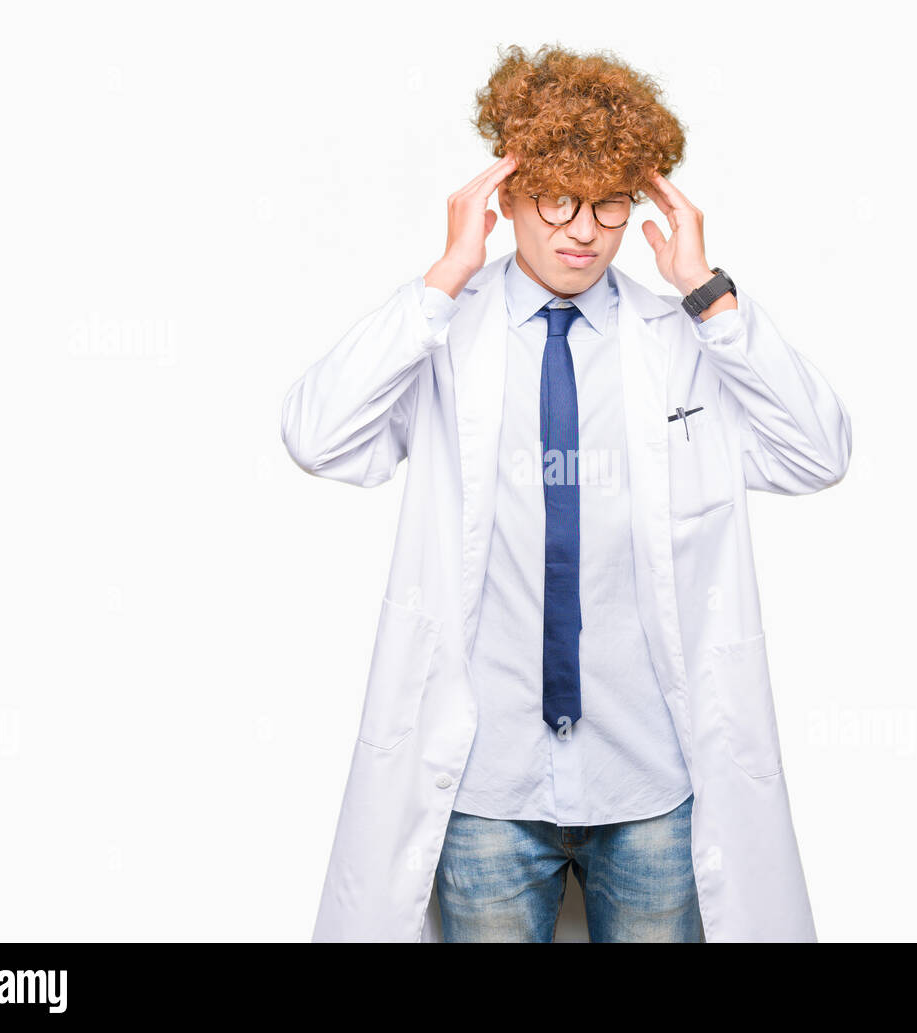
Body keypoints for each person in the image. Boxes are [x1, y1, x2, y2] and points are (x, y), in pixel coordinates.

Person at [281, 43, 852, 942]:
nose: (583, 230)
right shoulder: (447, 339)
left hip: (654, 785)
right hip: (486, 791)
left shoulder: (681, 342)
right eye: (556, 198)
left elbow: (819, 453)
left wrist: (711, 295)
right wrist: (441, 280)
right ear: (505, 195)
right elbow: (317, 435)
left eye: (609, 203)